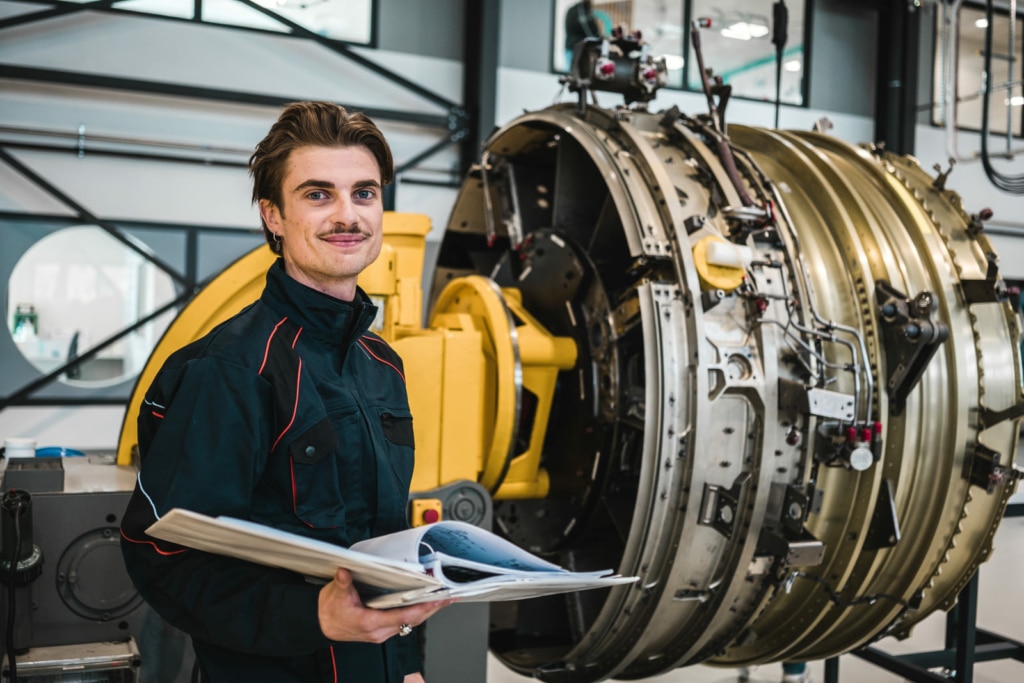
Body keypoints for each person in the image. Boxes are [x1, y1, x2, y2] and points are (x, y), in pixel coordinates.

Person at [120, 101, 452, 682]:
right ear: (273, 215)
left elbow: (384, 545)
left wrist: (404, 665)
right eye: (318, 195)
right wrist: (314, 614)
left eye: (364, 193)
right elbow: (163, 557)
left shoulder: (382, 365)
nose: (347, 215)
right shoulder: (232, 369)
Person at [563, 0, 610, 69]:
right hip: (578, 50)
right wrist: (601, 40)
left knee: (570, 72)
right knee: (578, 72)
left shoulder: (572, 10)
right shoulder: (582, 11)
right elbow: (590, 32)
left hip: (570, 47)